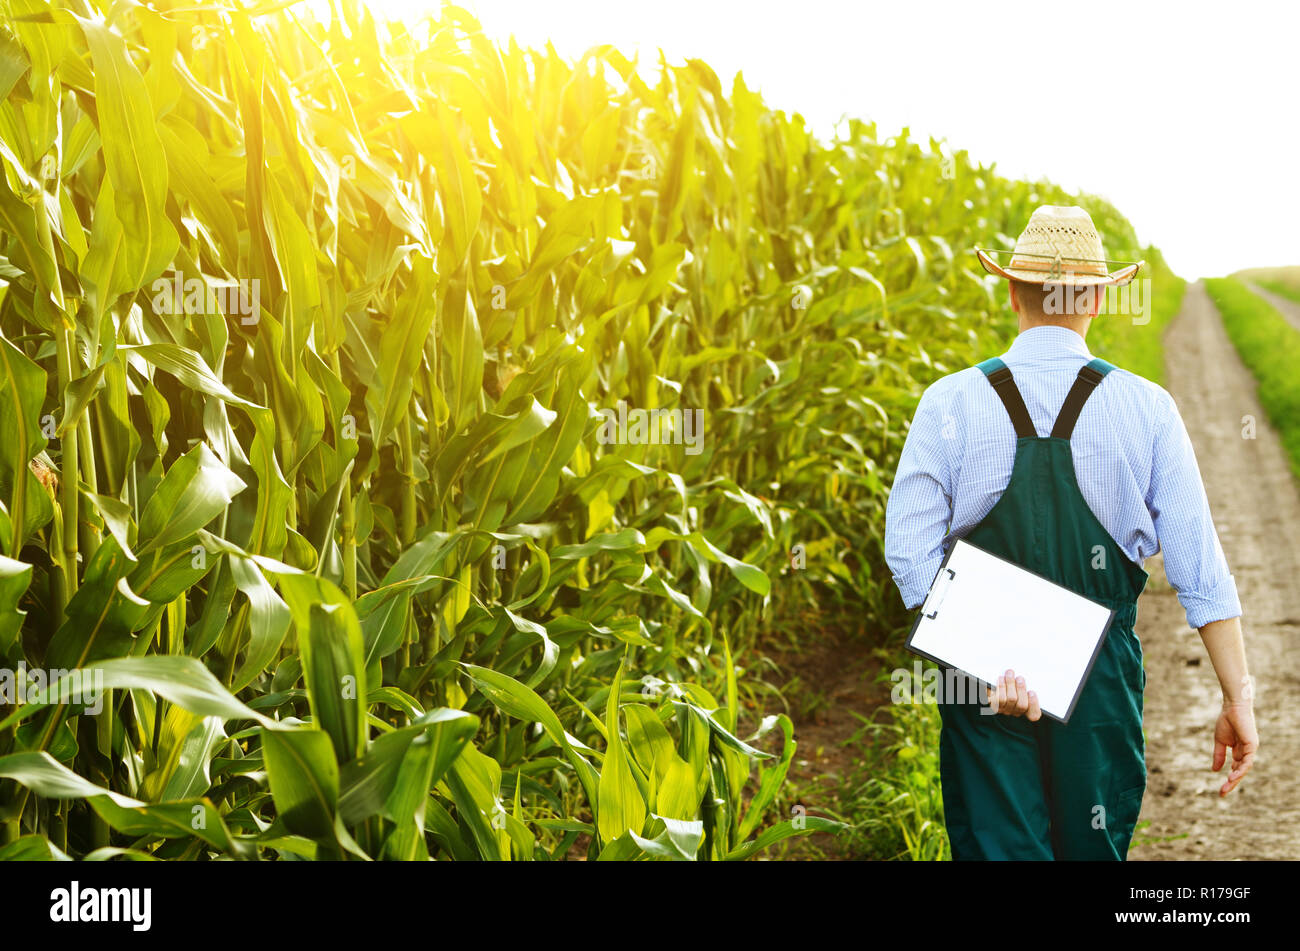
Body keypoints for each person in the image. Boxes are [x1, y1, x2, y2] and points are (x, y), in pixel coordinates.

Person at [883, 205, 1258, 860]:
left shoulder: (949, 401)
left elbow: (909, 551)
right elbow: (1201, 570)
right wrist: (1238, 694)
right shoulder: (1148, 409)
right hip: (1101, 683)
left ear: (1011, 292)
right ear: (1095, 299)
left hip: (983, 687)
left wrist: (983, 653)